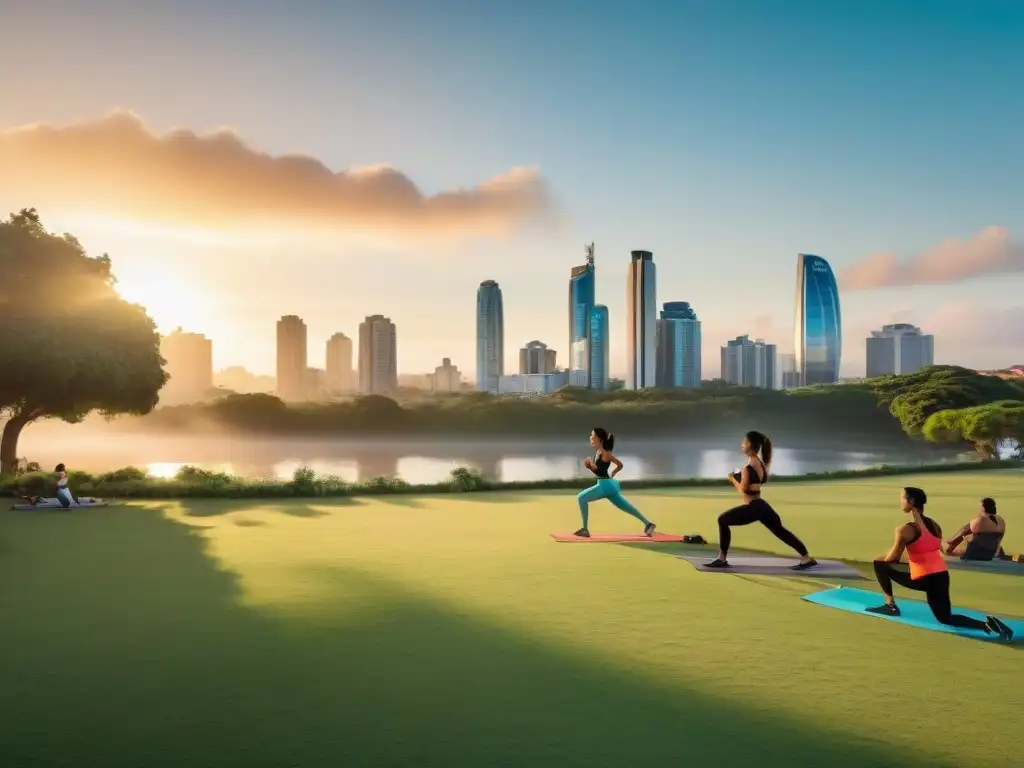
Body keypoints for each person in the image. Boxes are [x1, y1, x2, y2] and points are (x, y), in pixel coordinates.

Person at [867, 487, 1013, 641]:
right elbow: (926, 550)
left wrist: (888, 554)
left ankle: (890, 606)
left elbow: (892, 558)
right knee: (945, 617)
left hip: (923, 578)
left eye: (902, 498)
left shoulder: (905, 529)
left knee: (879, 563)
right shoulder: (935, 526)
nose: (900, 501)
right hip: (941, 576)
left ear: (910, 503)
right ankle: (987, 624)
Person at [706, 431, 817, 570]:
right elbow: (755, 485)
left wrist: (733, 479)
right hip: (762, 507)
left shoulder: (747, 468)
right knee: (781, 531)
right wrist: (740, 477)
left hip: (753, 507)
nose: (741, 445)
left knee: (722, 520)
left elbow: (744, 490)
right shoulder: (761, 464)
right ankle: (806, 558)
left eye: (743, 443)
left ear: (749, 446)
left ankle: (722, 559)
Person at [573, 428, 656, 538]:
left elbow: (601, 472)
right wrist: (610, 473)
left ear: (600, 438)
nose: (591, 437)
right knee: (626, 506)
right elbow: (619, 465)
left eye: (593, 435)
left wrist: (591, 466)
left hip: (605, 485)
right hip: (607, 485)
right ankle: (648, 524)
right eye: (591, 435)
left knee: (581, 498)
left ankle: (585, 529)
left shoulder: (605, 453)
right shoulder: (601, 452)